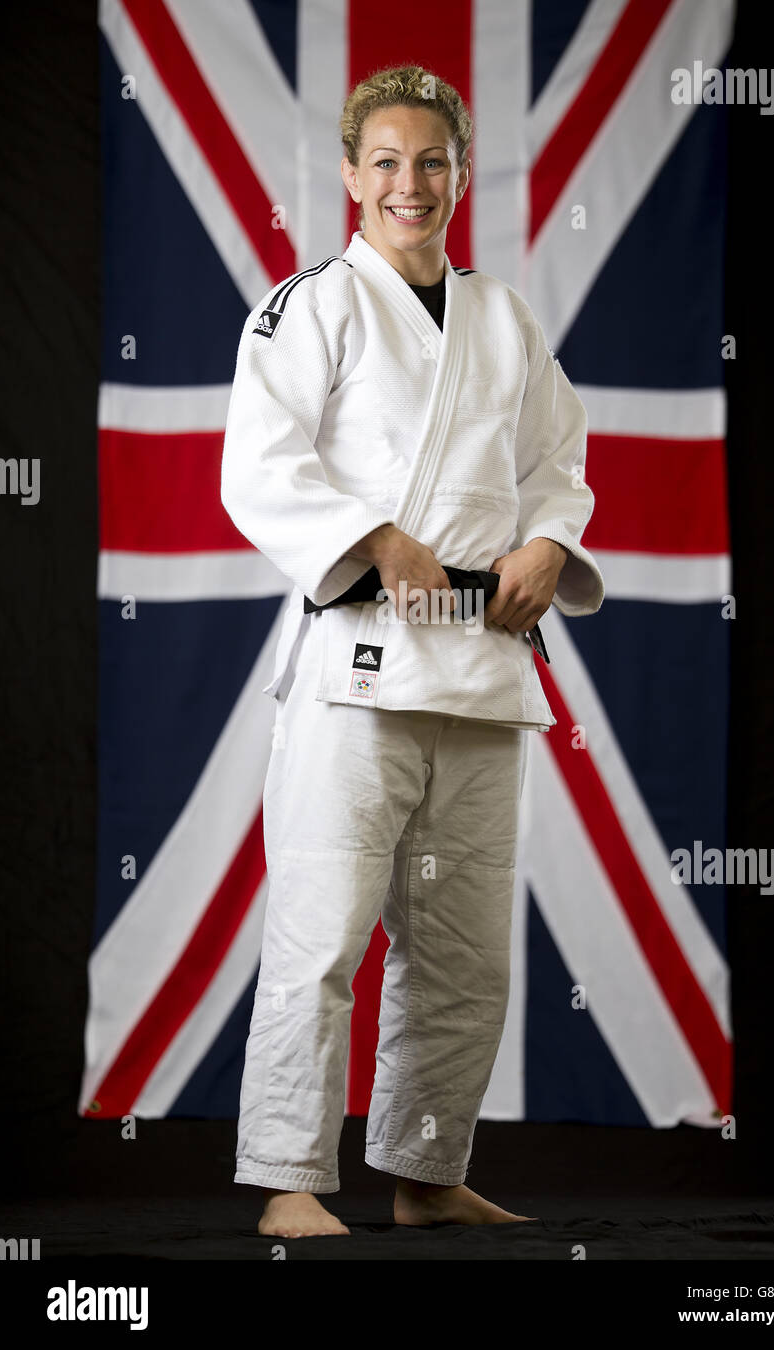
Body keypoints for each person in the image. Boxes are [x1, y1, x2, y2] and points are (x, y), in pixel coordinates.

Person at [220, 65, 604, 1238]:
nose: (409, 183)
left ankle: (425, 1173)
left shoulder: (502, 316)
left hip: (484, 666)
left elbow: (556, 458)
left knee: (462, 953)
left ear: (456, 176)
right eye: (385, 161)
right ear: (348, 176)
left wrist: (548, 538)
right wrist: (374, 535)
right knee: (323, 932)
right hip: (358, 668)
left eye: (430, 162)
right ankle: (289, 1177)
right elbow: (259, 468)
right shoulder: (309, 305)